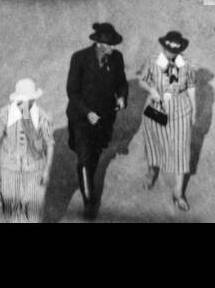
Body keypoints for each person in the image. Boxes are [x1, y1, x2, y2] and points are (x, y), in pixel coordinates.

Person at [66, 22, 127, 218]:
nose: (113, 48)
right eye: (110, 45)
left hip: (105, 119)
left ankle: (89, 177)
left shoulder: (116, 58)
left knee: (95, 155)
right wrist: (87, 113)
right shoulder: (80, 58)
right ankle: (89, 202)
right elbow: (72, 91)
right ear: (100, 44)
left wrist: (122, 97)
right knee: (84, 160)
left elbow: (122, 82)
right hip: (82, 119)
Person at [139, 30, 196, 211]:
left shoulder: (186, 64)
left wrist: (193, 110)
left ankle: (178, 193)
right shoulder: (152, 60)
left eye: (175, 51)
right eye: (168, 49)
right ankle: (152, 171)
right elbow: (141, 80)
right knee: (154, 143)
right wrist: (151, 90)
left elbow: (192, 87)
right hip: (156, 108)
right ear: (163, 46)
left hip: (180, 111)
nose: (171, 53)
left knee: (180, 149)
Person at [0, 78, 55, 223]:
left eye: (29, 100)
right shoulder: (4, 114)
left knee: (33, 213)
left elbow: (50, 144)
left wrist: (46, 171)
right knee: (12, 213)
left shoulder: (43, 117)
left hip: (34, 168)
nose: (26, 103)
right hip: (9, 168)